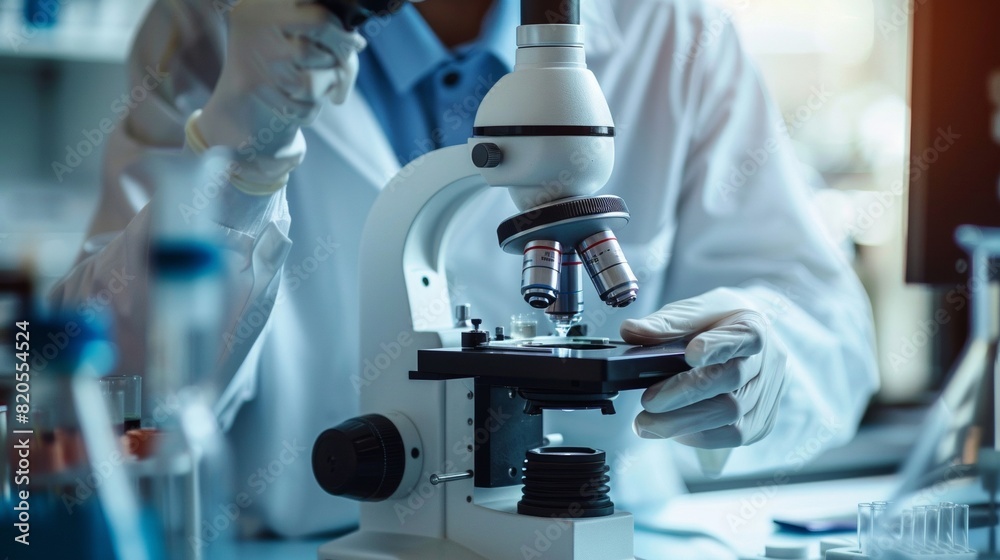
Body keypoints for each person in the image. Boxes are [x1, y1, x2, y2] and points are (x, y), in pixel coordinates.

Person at [50, 0, 880, 538]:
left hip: (621, 533)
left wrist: (763, 357)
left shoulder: (674, 30)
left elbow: (830, 327)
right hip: (307, 539)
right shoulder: (213, 27)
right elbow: (106, 395)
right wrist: (239, 151)